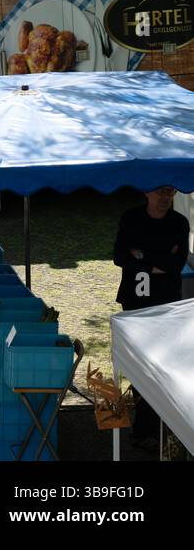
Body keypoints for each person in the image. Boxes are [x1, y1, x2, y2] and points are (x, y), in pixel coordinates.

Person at [113, 186, 191, 445]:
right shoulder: (131, 218)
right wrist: (156, 261)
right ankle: (144, 425)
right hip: (135, 302)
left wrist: (142, 255)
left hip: (165, 304)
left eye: (169, 193)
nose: (165, 199)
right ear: (147, 193)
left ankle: (160, 423)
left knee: (162, 362)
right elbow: (120, 256)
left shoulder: (179, 222)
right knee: (138, 364)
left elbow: (175, 265)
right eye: (159, 193)